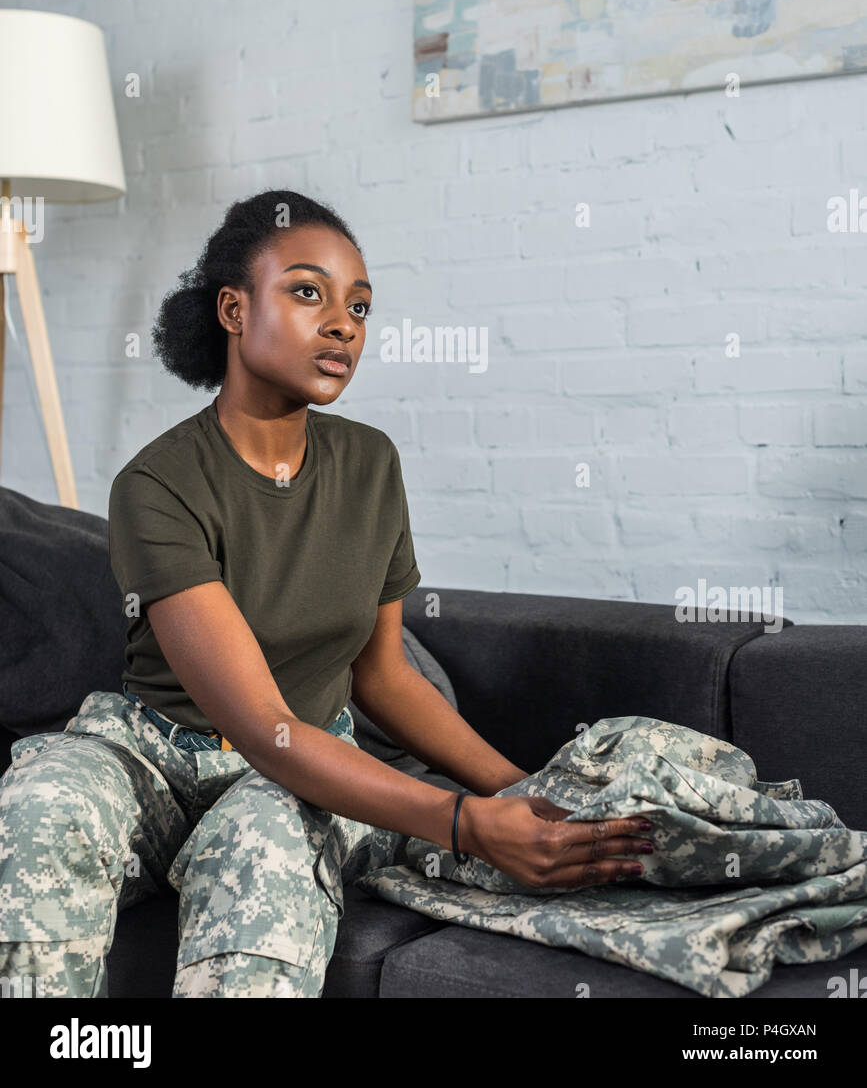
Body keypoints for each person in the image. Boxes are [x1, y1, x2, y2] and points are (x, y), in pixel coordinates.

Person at [0, 189, 654, 998]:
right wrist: (463, 826)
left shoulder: (370, 465)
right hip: (155, 758)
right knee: (45, 793)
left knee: (262, 831)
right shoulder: (156, 484)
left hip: (304, 764)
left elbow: (382, 676)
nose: (344, 323)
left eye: (360, 305)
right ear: (234, 310)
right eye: (308, 291)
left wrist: (520, 792)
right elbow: (258, 725)